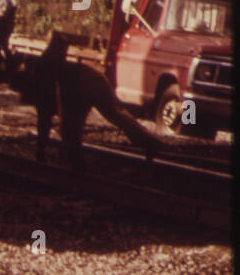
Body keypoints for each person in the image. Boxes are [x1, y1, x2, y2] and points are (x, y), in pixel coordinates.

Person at [9, 34, 160, 172]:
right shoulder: (45, 72)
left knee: (71, 128)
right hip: (92, 78)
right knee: (116, 114)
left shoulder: (41, 83)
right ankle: (147, 141)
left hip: (80, 85)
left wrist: (40, 151)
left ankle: (77, 165)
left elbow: (44, 121)